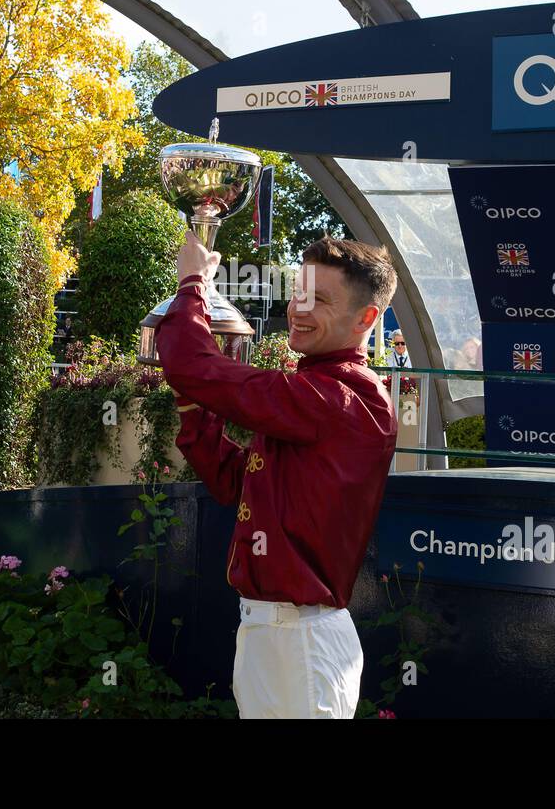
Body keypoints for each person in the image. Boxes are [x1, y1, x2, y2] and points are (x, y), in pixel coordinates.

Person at [157, 234, 398, 719]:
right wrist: (193, 406)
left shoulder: (341, 396)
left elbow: (191, 365)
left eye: (320, 300)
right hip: (276, 632)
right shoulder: (320, 391)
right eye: (298, 294)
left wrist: (193, 284)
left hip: (300, 637)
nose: (299, 309)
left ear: (366, 319)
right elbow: (234, 482)